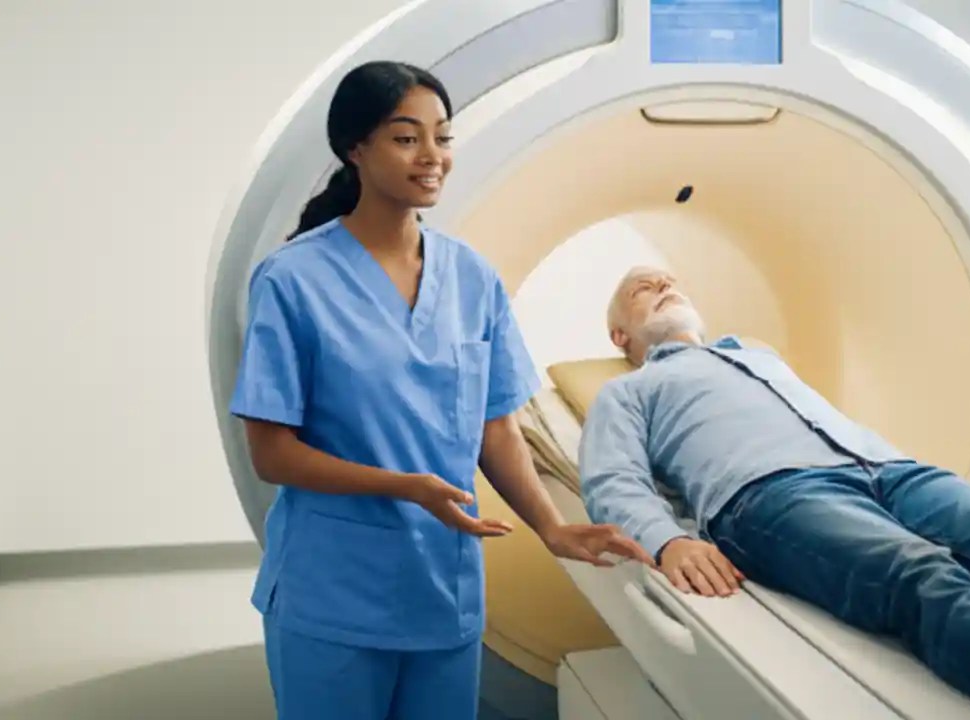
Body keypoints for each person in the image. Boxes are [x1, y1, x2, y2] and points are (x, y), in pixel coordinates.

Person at [229, 61, 653, 720]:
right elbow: (272, 455)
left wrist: (553, 528)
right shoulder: (292, 281)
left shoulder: (471, 278)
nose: (432, 157)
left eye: (443, 137)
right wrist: (407, 486)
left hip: (443, 591)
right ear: (355, 149)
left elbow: (497, 428)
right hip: (332, 591)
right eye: (406, 138)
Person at [578, 265, 970, 720]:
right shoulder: (629, 391)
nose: (665, 285)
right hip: (771, 494)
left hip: (890, 469)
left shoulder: (761, 359)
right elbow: (611, 480)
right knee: (922, 573)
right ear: (619, 335)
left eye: (670, 281)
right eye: (643, 288)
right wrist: (669, 541)